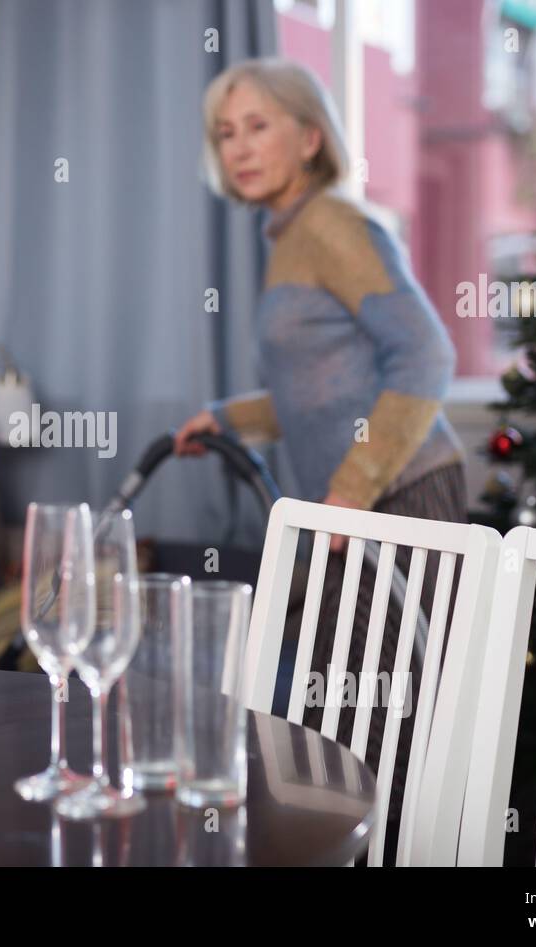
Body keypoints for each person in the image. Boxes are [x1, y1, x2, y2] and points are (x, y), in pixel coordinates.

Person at [174, 58, 466, 855]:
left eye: (258, 126)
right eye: (226, 133)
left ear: (310, 136)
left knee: (379, 721)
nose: (238, 146)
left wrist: (352, 489)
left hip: (396, 494)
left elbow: (427, 357)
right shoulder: (291, 234)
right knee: (342, 712)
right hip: (354, 506)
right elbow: (322, 393)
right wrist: (227, 419)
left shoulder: (334, 223)